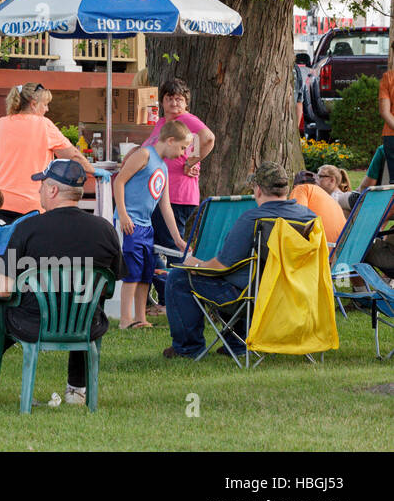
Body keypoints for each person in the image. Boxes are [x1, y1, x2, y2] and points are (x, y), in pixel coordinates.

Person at [0, 158, 123, 405]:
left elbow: (3, 289)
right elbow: (110, 284)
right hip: (85, 323)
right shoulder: (105, 229)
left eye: (41, 185)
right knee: (80, 304)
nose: (38, 190)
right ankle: (77, 389)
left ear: (53, 190)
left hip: (31, 323)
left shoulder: (28, 229)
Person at [163, 162, 317, 360]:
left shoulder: (253, 219)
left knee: (178, 278)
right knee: (239, 277)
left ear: (258, 190)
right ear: (286, 189)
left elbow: (221, 266)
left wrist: (195, 264)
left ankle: (188, 348)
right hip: (293, 294)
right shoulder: (308, 217)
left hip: (251, 296)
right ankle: (236, 342)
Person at [141, 78, 216, 304]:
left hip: (177, 195)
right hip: (158, 194)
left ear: (186, 103)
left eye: (179, 99)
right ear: (162, 101)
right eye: (169, 98)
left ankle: (176, 298)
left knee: (169, 248)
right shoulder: (163, 122)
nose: (174, 103)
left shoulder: (186, 120)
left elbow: (209, 138)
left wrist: (193, 160)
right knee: (151, 245)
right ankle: (168, 296)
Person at [113, 120, 191, 329]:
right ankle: (125, 319)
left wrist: (177, 239)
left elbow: (165, 206)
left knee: (146, 273)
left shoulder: (163, 168)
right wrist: (122, 214)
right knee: (132, 272)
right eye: (182, 147)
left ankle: (140, 318)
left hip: (147, 226)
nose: (183, 153)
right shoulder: (144, 155)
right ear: (170, 140)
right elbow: (119, 181)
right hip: (129, 224)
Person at [0, 83, 91, 222]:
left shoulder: (1, 123)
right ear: (33, 104)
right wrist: (94, 171)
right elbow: (73, 156)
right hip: (32, 204)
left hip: (0, 201)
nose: (47, 109)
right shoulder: (44, 124)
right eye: (45, 104)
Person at [290, 170, 347, 245]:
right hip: (338, 250)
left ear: (294, 186)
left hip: (320, 251)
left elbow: (297, 221)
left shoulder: (301, 189)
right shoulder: (330, 199)